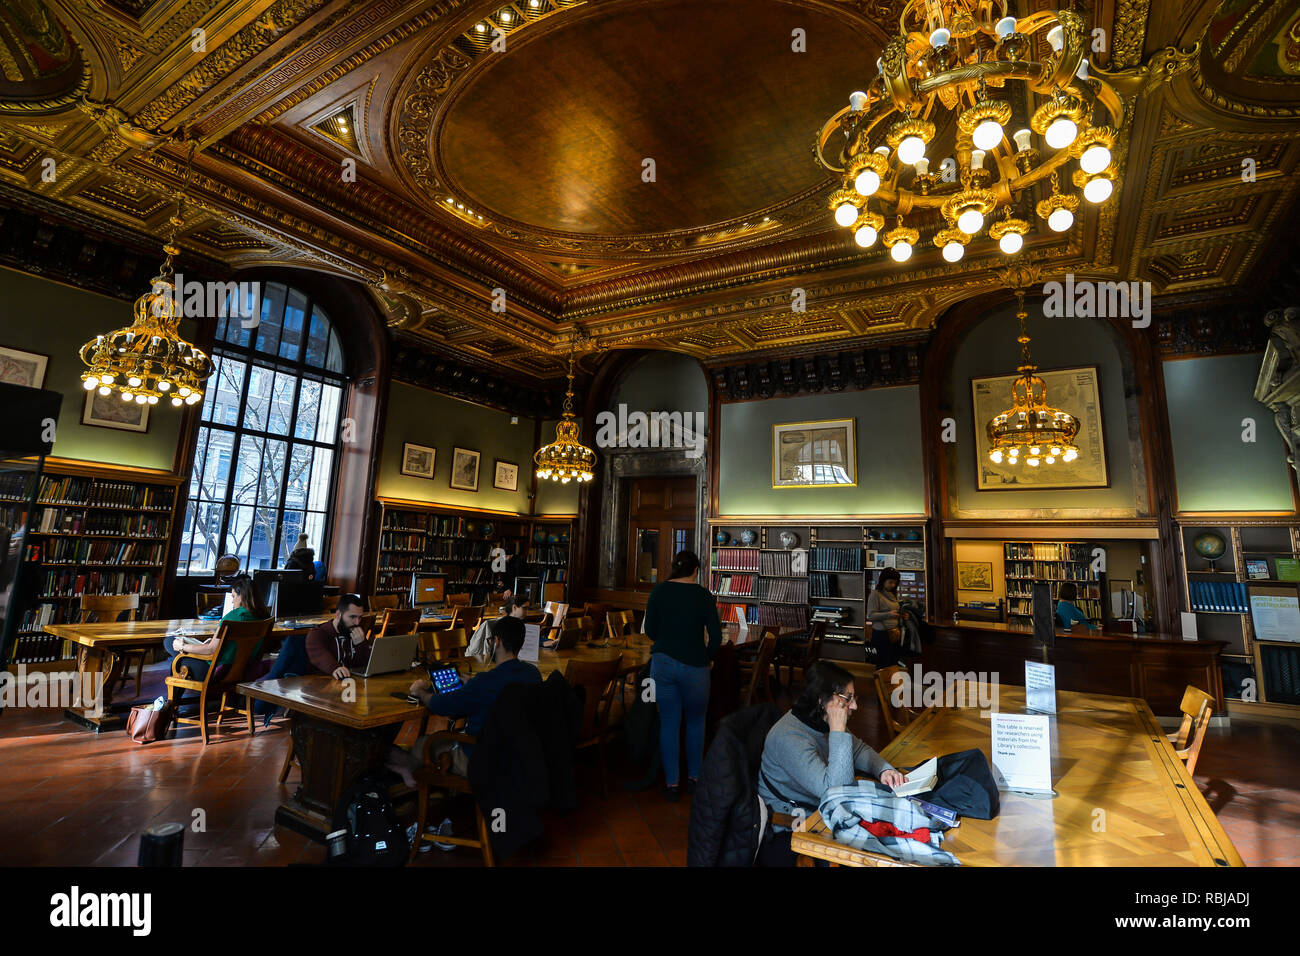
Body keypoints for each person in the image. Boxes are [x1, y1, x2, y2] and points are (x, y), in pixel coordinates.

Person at [756, 660, 908, 867]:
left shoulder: (820, 720)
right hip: (791, 826)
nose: (854, 706)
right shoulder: (789, 737)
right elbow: (838, 793)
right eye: (848, 699)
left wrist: (884, 770)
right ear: (822, 701)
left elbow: (859, 750)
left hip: (819, 813)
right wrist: (838, 731)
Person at [406, 615, 541, 777]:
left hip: (483, 759)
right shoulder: (533, 674)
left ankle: (414, 785)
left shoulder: (485, 682)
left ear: (496, 641)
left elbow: (442, 705)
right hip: (518, 757)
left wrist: (420, 691)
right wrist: (474, 684)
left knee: (422, 744)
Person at [643, 549, 722, 802]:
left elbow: (651, 631)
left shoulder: (659, 591)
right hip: (696, 667)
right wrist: (707, 657)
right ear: (696, 571)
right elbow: (717, 637)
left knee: (668, 722)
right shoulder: (703, 595)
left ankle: (672, 784)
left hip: (663, 665)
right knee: (696, 722)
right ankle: (695, 779)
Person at [164, 574, 269, 683]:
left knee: (171, 644)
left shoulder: (233, 616)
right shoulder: (264, 618)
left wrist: (183, 646)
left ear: (241, 596)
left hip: (216, 672)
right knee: (181, 659)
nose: (232, 601)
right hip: (244, 671)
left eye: (233, 596)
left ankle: (173, 700)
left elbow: (211, 650)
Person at [304, 593, 370, 679]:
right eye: (352, 617)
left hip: (350, 684)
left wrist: (361, 645)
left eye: (360, 617)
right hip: (321, 684)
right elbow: (321, 657)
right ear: (338, 614)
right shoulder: (318, 634)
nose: (357, 622)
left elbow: (366, 666)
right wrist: (335, 668)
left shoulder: (356, 633)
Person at [866, 567, 903, 667]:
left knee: (893, 663)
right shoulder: (875, 594)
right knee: (884, 664)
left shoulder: (893, 594)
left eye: (895, 583)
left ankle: (891, 682)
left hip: (894, 633)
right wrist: (889, 614)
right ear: (883, 580)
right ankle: (882, 683)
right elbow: (870, 616)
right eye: (890, 582)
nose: (893, 585)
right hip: (882, 634)